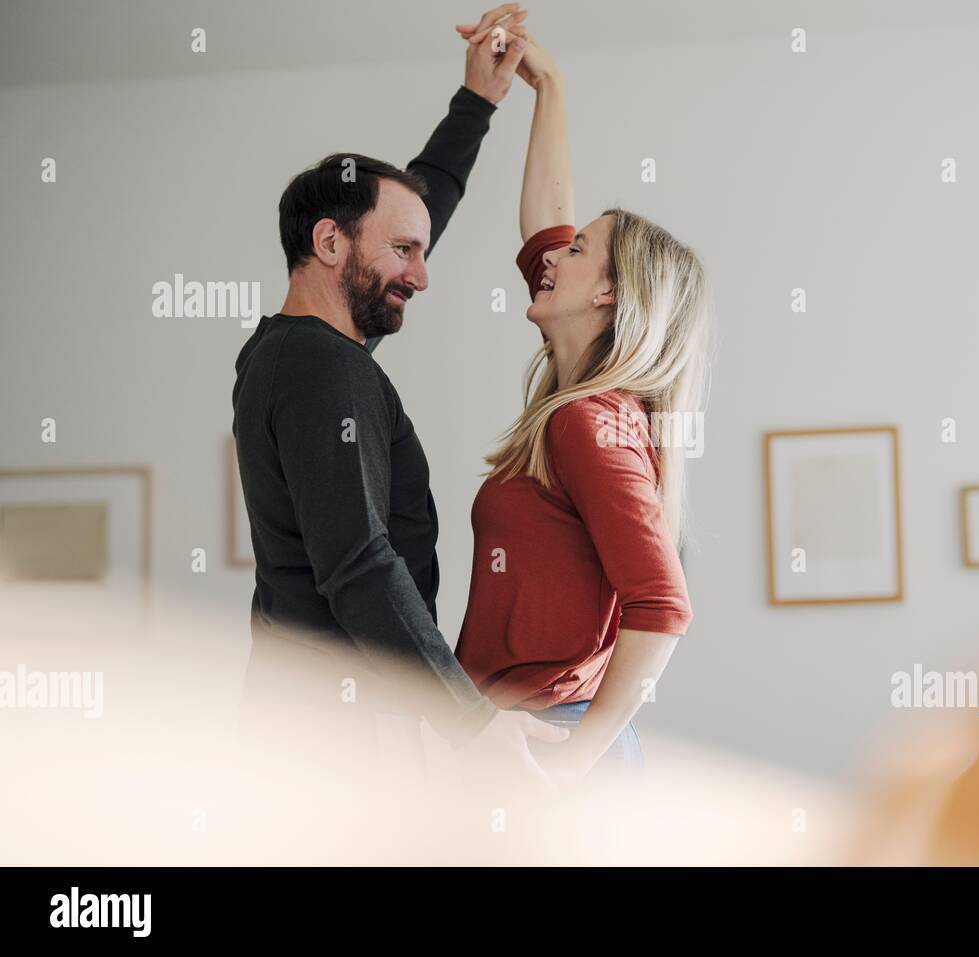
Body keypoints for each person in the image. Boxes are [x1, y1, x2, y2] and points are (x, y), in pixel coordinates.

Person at [232, 8, 564, 784]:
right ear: (329, 242)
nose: (421, 273)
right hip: (336, 740)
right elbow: (359, 562)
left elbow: (420, 204)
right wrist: (470, 721)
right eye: (404, 250)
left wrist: (478, 102)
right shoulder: (321, 367)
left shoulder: (296, 351)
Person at [450, 8, 713, 780]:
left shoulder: (584, 422)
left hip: (550, 742)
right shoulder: (593, 409)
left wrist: (574, 764)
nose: (550, 258)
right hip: (535, 732)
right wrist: (548, 87)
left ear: (607, 294)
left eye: (576, 251)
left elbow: (663, 605)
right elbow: (545, 225)